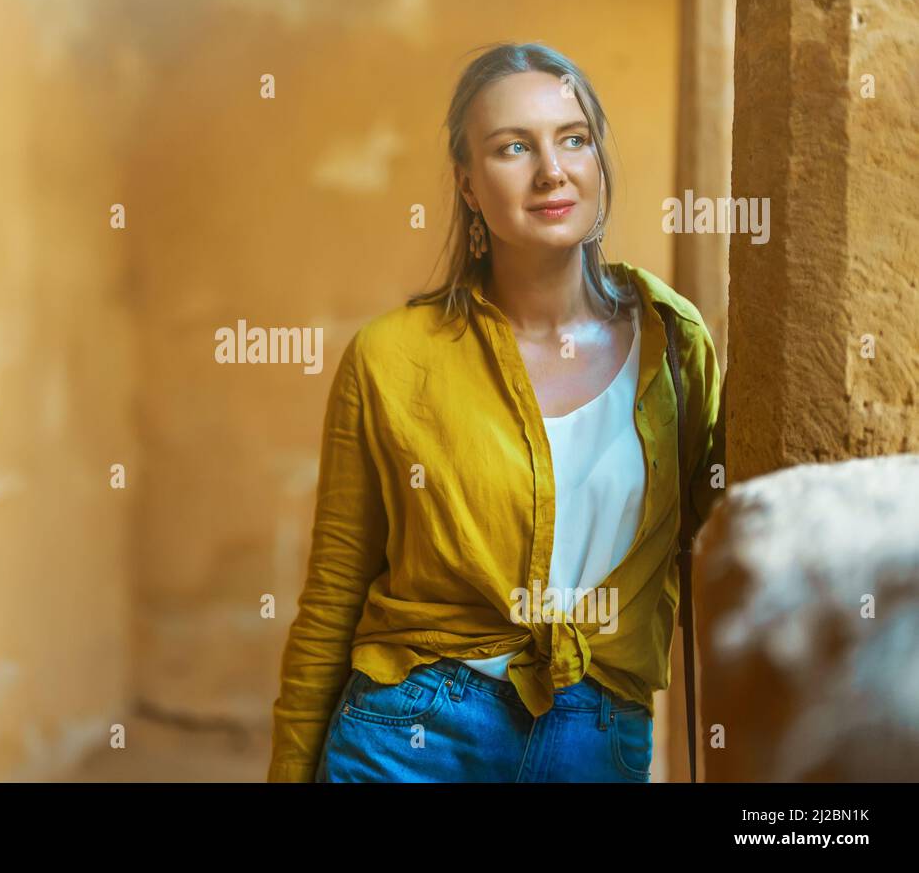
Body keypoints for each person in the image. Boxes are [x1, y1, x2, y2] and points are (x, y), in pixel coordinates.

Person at [268, 42, 724, 782]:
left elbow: (720, 550)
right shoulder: (390, 356)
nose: (552, 170)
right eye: (513, 147)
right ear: (469, 186)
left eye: (573, 139)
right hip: (410, 735)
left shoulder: (673, 344)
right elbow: (333, 594)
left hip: (597, 736)